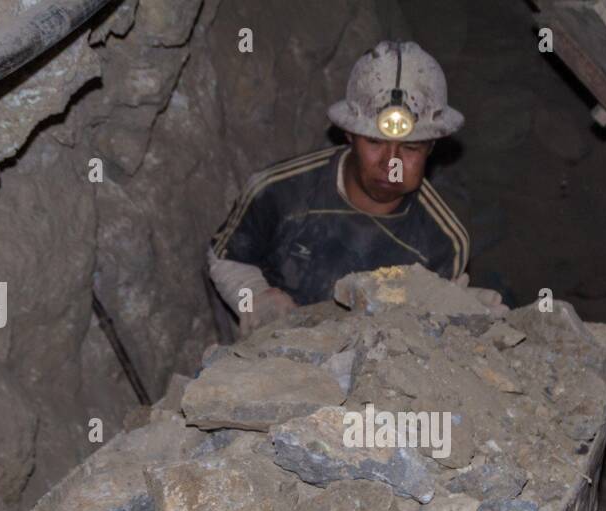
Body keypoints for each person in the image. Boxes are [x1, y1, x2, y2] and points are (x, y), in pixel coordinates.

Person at [208, 40, 502, 334]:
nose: (392, 164)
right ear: (349, 134)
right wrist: (253, 298)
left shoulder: (442, 241)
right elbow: (226, 256)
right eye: (374, 142)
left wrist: (454, 315)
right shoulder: (278, 192)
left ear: (432, 145)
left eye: (411, 148)